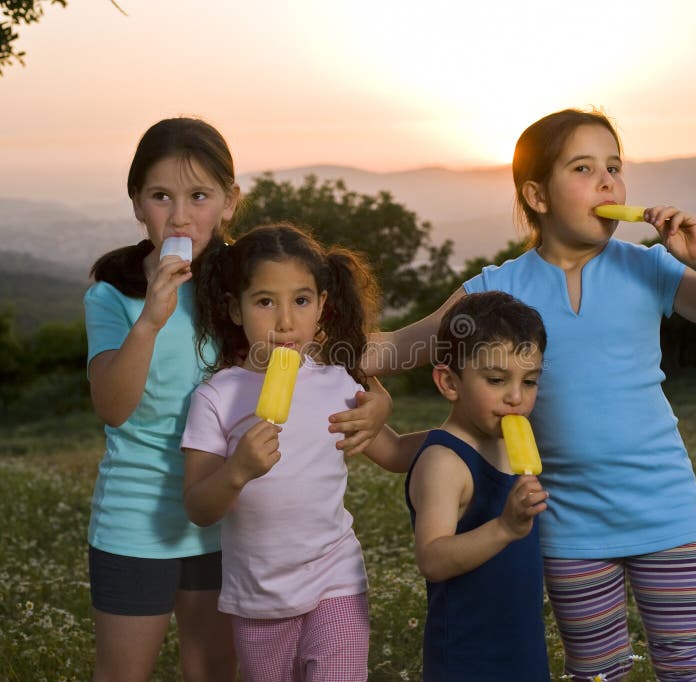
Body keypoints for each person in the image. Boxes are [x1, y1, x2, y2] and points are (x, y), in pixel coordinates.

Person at [366, 108, 696, 681]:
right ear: (537, 195)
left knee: (693, 669)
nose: (607, 181)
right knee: (597, 672)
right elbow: (397, 348)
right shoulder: (497, 288)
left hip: (668, 513)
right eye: (584, 168)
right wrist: (299, 348)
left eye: (615, 167)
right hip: (568, 526)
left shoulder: (650, 268)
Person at [84, 118, 390, 682]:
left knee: (213, 670)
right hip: (137, 520)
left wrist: (380, 400)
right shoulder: (114, 295)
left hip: (234, 524)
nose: (180, 216)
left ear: (229, 202)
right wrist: (151, 321)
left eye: (199, 197)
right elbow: (112, 406)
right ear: (136, 203)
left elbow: (323, 351)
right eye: (161, 197)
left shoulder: (246, 281)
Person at [180, 223, 425, 682]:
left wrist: (461, 437)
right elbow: (198, 507)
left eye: (301, 300)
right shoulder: (215, 398)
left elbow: (393, 453)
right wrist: (236, 472)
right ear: (235, 309)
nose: (286, 322)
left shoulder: (338, 382)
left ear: (322, 306)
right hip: (258, 597)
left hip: (336, 577)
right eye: (264, 302)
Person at [405, 291, 551, 681]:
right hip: (468, 659)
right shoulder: (444, 462)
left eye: (530, 381)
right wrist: (504, 528)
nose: (516, 397)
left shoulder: (506, 443)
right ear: (449, 382)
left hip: (521, 649)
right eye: (496, 380)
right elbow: (432, 560)